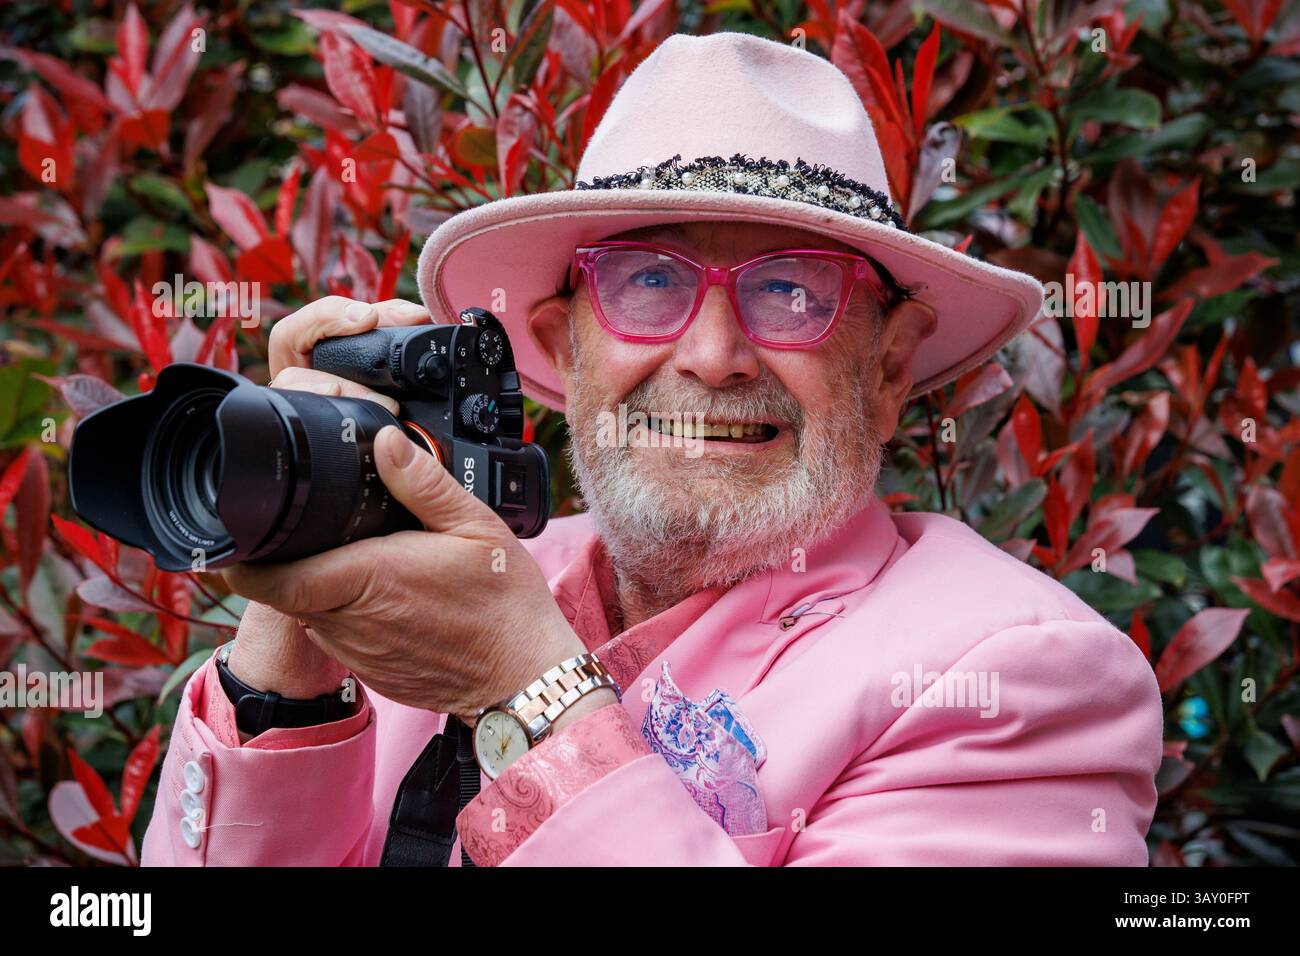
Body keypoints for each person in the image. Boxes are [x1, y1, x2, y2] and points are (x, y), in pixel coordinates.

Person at [142, 31, 1161, 867]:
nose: (712, 356)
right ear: (562, 347)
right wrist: (288, 619)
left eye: (791, 289)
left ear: (887, 370)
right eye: (647, 283)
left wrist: (527, 690)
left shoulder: (1022, 672)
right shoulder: (458, 576)